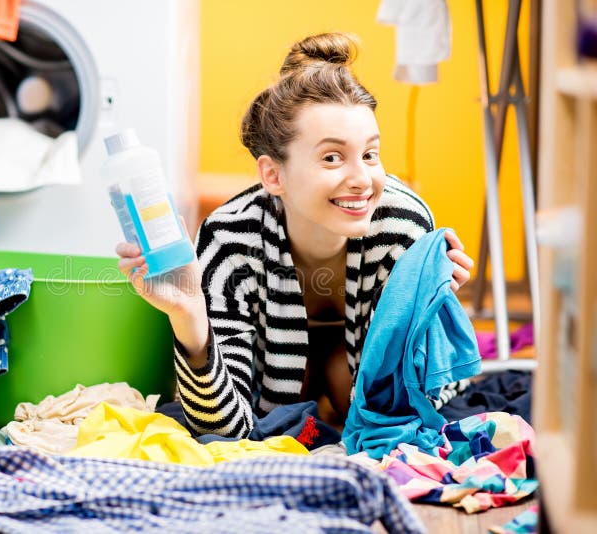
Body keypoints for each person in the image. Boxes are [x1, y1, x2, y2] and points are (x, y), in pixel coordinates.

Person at [115, 32, 474, 438]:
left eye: (370, 154)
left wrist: (428, 314)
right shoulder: (230, 238)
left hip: (354, 356)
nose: (362, 180)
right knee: (282, 409)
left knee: (349, 388)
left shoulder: (401, 226)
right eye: (332, 157)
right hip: (273, 359)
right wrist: (189, 316)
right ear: (273, 174)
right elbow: (223, 428)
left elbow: (403, 408)